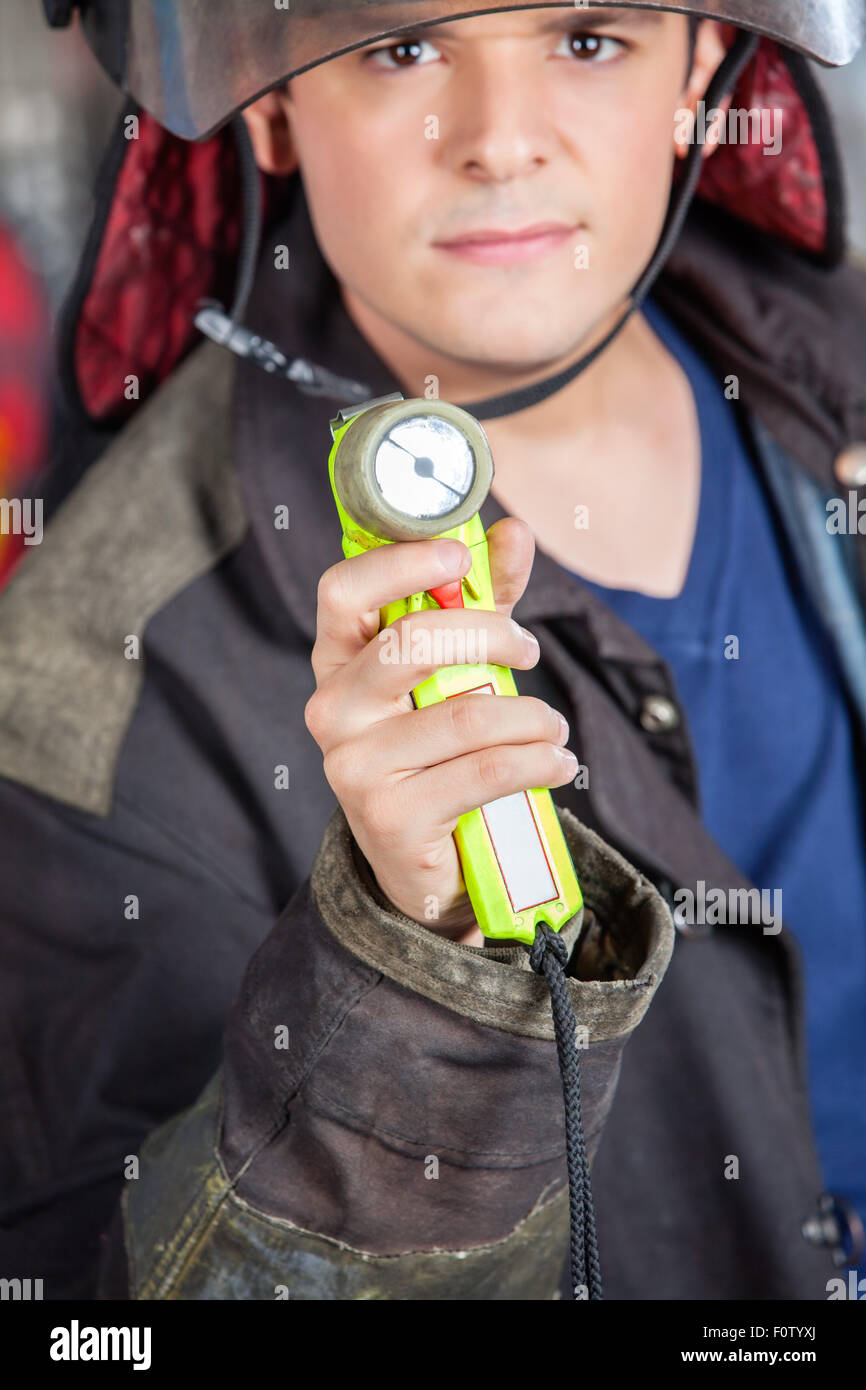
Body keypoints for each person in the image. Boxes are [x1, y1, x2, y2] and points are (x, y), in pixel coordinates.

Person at [1, 0, 864, 1300]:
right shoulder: (88, 686)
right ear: (275, 101)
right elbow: (99, 1311)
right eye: (397, 47)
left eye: (586, 39)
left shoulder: (829, 377)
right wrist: (409, 976)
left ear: (698, 66)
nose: (498, 141)